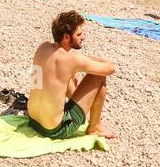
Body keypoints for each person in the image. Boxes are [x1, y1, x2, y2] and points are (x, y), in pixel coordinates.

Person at [27, 11, 116, 139]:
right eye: (79, 34)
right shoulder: (72, 60)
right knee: (98, 76)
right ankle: (95, 127)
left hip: (33, 120)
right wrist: (84, 60)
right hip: (53, 130)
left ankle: (83, 116)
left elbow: (39, 79)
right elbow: (110, 68)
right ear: (66, 37)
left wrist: (74, 68)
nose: (83, 37)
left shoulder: (43, 47)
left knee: (64, 75)